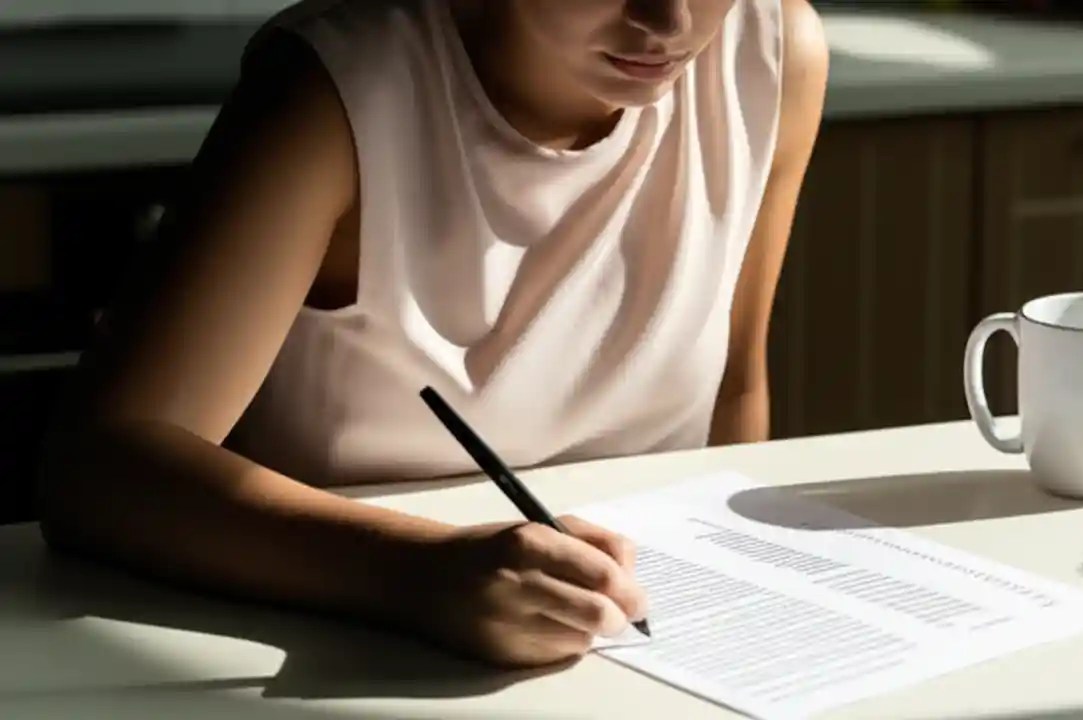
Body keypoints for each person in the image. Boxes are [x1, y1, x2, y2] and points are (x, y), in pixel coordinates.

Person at [38, 0, 829, 668]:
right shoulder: (344, 87)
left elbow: (735, 391)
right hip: (332, 652)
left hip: (630, 657)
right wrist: (414, 574)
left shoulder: (770, 50)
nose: (671, 20)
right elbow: (99, 466)